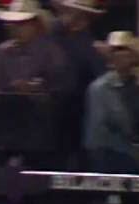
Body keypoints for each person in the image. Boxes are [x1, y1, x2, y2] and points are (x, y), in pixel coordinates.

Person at [84, 32, 139, 174]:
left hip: (131, 154)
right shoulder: (101, 87)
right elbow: (107, 124)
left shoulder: (138, 87)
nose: (120, 56)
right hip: (107, 153)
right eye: (116, 52)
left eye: (125, 52)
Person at [51, 0, 108, 169]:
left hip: (78, 116)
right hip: (51, 115)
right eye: (69, 12)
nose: (73, 18)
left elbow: (98, 84)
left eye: (78, 14)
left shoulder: (91, 47)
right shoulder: (51, 38)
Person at [0, 0, 69, 96]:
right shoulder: (2, 51)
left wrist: (36, 87)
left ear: (36, 25)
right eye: (13, 23)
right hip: (8, 106)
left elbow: (61, 90)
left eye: (22, 24)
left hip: (41, 108)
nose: (16, 29)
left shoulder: (51, 51)